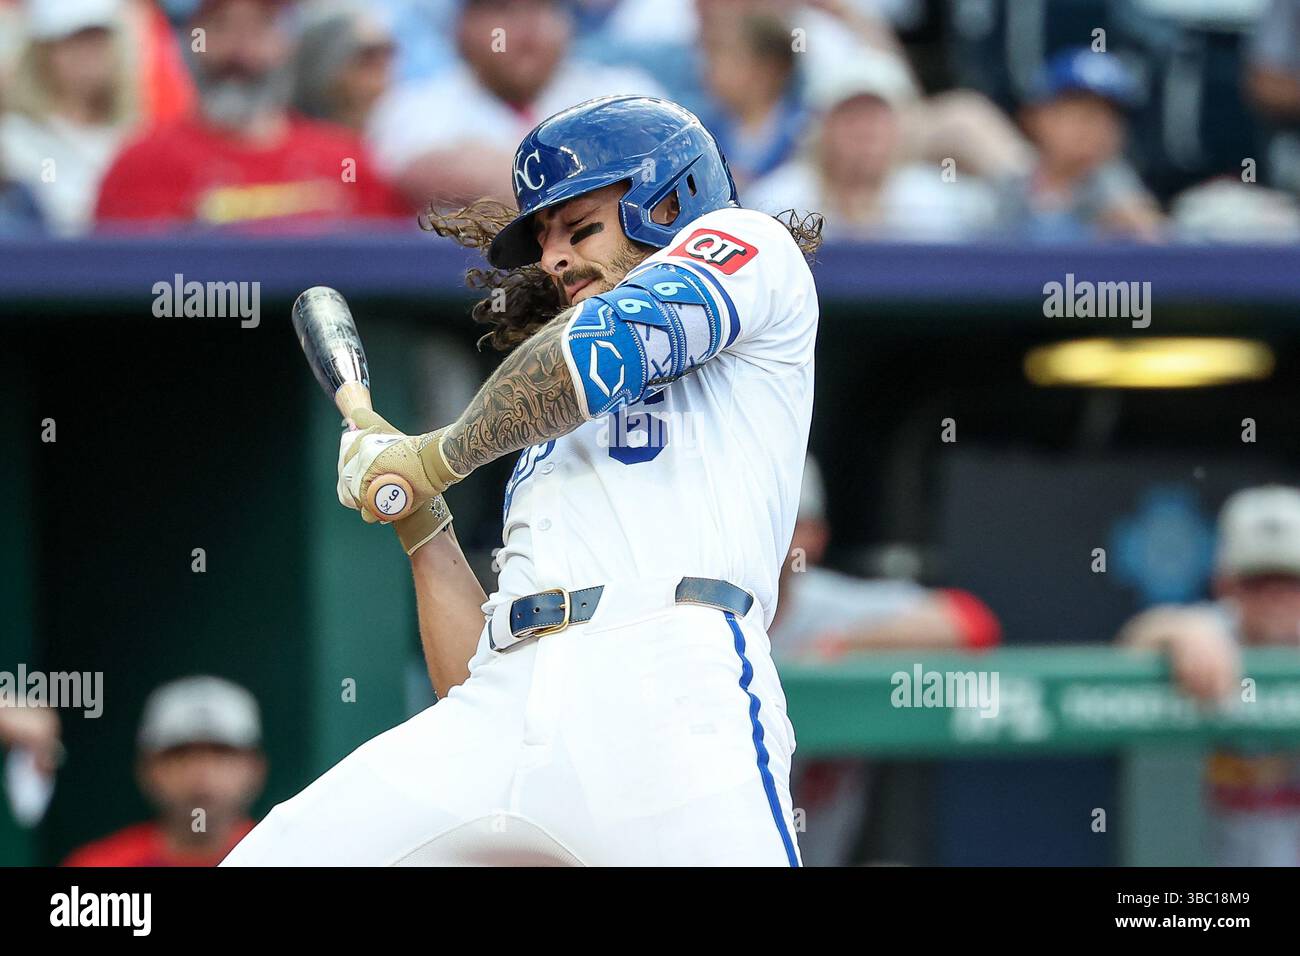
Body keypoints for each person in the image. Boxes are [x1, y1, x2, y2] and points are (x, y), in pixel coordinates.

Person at [223, 94, 822, 866]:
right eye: (544, 239)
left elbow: (594, 355)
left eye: (580, 228)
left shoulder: (746, 242)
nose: (554, 259)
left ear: (669, 198)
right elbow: (473, 673)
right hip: (504, 709)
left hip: (671, 687)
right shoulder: (544, 450)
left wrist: (431, 455)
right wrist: (423, 518)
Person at [770, 458, 1000, 865]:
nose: (773, 537)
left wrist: (840, 647)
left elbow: (972, 625)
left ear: (815, 537)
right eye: (765, 517)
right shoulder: (685, 610)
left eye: (789, 521)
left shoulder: (829, 607)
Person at [95, 0, 405, 230]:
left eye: (260, 27)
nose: (240, 52)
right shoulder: (142, 164)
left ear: (288, 44)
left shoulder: (347, 160)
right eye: (220, 26)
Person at [1117, 486, 1300, 866]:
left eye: (1291, 582)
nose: (1277, 600)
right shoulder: (1213, 630)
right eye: (1257, 582)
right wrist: (1182, 633)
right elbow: (1136, 638)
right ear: (1225, 584)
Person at [365, 0, 664, 210]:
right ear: (461, 27)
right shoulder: (415, 103)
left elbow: (661, 179)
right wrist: (598, 177)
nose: (526, 26)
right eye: (503, 8)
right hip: (456, 288)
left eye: (544, 6)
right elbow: (432, 176)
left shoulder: (622, 89)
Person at [747, 57, 1000, 242]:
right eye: (851, 118)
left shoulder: (941, 205)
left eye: (878, 119)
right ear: (822, 129)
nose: (866, 132)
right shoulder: (777, 203)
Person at [64, 676, 265, 867]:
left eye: (221, 754)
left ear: (255, 768)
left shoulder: (287, 857)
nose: (201, 772)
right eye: (180, 755)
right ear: (147, 770)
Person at [995, 47, 1164, 242]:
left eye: (1108, 118)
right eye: (1082, 116)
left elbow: (1151, 234)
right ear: (1037, 117)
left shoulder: (1114, 185)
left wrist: (1134, 224)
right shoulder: (1011, 179)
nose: (1094, 131)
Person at [0, 0, 137, 236]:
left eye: (98, 40)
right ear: (44, 53)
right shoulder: (13, 138)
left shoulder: (135, 133)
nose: (90, 54)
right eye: (75, 41)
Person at [291, 3, 397, 131]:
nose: (378, 83)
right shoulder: (273, 136)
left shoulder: (385, 140)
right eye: (366, 61)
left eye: (384, 63)